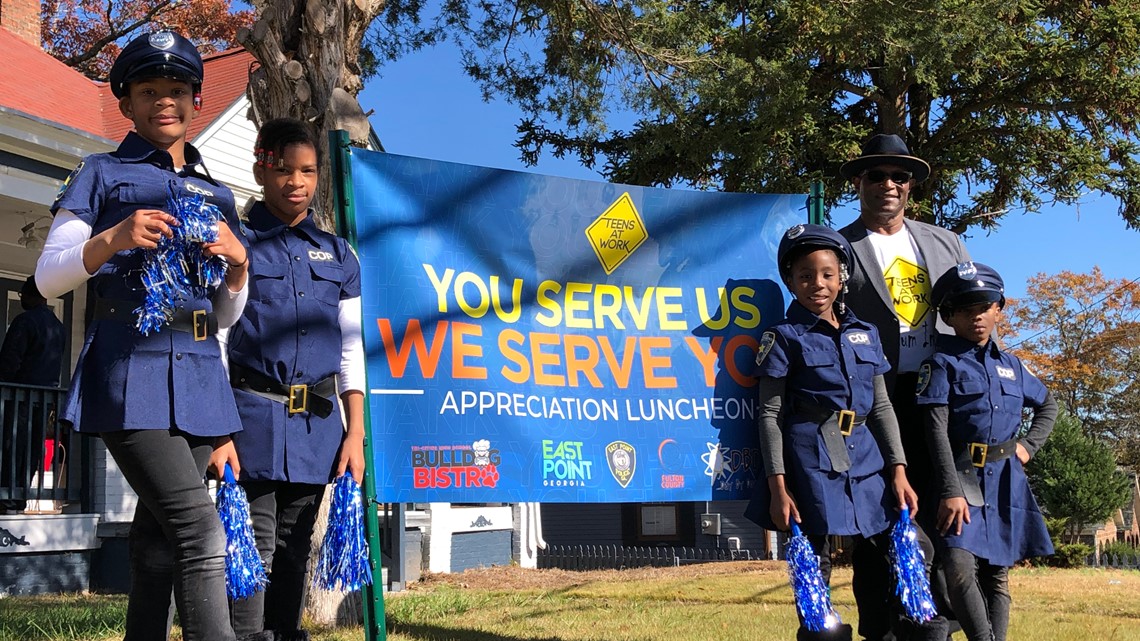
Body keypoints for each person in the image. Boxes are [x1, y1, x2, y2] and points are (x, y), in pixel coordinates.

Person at [34, 30, 248, 641]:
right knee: (198, 528)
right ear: (126, 102)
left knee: (158, 539)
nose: (164, 101)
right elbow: (48, 278)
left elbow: (223, 316)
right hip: (129, 370)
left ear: (197, 100)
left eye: (177, 89)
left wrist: (239, 265)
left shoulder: (218, 192)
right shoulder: (101, 172)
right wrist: (113, 238)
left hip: (202, 379)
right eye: (148, 91)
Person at [744, 224, 946, 641]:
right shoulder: (783, 337)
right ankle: (821, 632)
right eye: (805, 275)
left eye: (827, 274)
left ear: (842, 278)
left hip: (867, 458)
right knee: (814, 559)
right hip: (810, 458)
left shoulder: (866, 334)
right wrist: (779, 487)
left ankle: (902, 628)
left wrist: (898, 470)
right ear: (790, 281)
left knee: (905, 546)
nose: (817, 284)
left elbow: (882, 407)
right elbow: (769, 414)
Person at [219, 118, 366, 641]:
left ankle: (284, 633)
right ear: (261, 168)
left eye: (307, 171)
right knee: (252, 543)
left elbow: (350, 349)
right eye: (284, 170)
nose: (296, 182)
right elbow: (216, 338)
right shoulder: (235, 242)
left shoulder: (339, 254)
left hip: (316, 427)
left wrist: (355, 432)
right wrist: (218, 431)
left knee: (294, 543)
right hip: (249, 420)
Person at [916, 262, 1057, 641]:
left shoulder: (1012, 366)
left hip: (1004, 481)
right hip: (959, 478)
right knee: (958, 567)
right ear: (948, 317)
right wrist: (950, 490)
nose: (976, 317)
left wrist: (1027, 447)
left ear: (999, 310)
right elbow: (935, 430)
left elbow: (1048, 406)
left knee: (997, 575)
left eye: (983, 307)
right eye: (964, 310)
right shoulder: (940, 364)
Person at [838, 134, 971, 509]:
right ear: (858, 182)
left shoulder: (948, 242)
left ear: (910, 184)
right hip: (878, 394)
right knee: (883, 504)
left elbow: (972, 307)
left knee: (947, 502)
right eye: (876, 175)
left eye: (899, 176)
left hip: (942, 391)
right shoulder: (839, 246)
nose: (889, 185)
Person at [0, 275, 66, 513]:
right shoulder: (58, 327)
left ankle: (6, 498)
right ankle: (20, 497)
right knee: (32, 448)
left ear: (30, 296)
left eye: (22, 295)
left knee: (11, 444)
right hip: (45, 399)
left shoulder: (25, 321)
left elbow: (9, 361)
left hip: (18, 396)